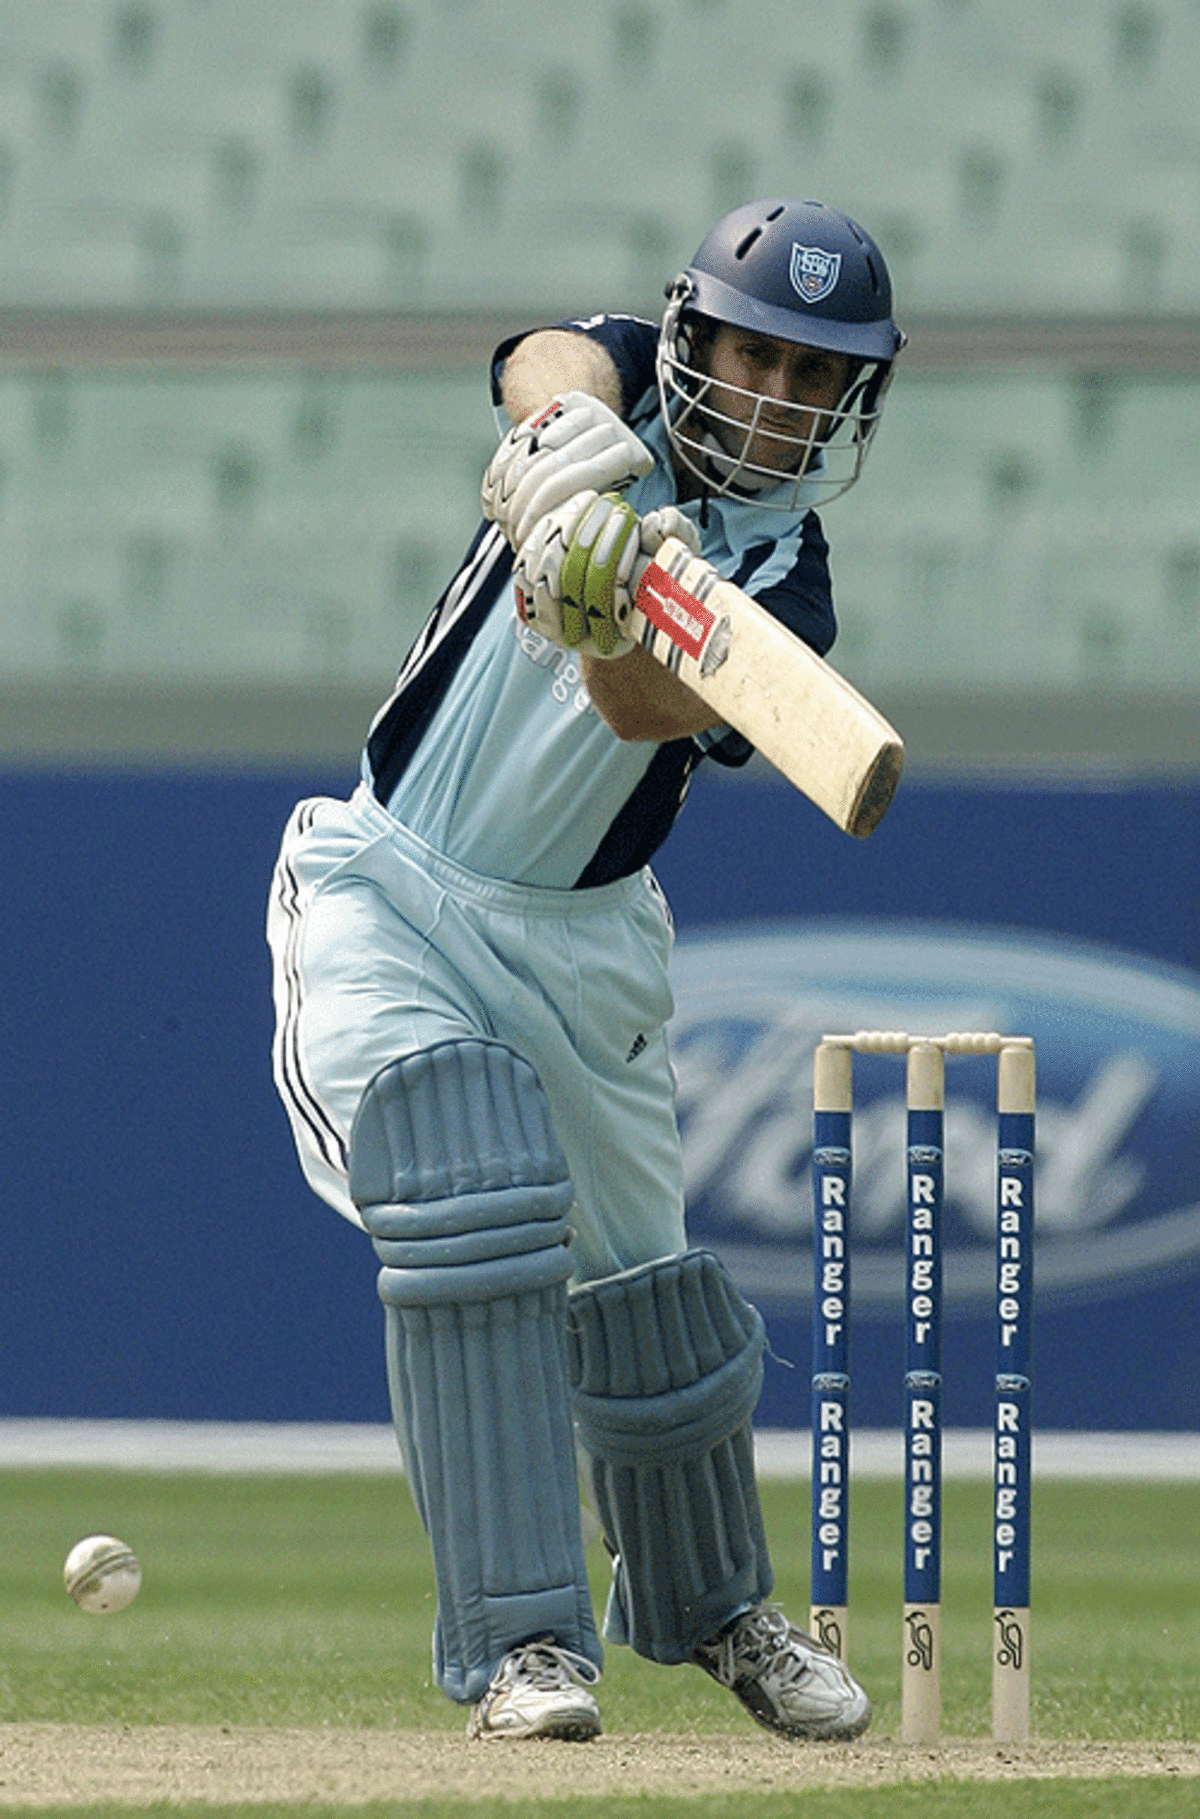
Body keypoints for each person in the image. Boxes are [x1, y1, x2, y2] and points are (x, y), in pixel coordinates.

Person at [267, 197, 904, 1743]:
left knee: (651, 1302)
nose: (778, 397)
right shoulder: (617, 380)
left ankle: (708, 1606)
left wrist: (611, 596)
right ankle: (525, 1645)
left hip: (589, 941)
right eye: (754, 354)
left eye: (817, 376)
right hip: (390, 885)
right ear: (692, 341)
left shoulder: (789, 589)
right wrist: (572, 463)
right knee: (468, 1190)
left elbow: (634, 713)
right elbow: (539, 354)